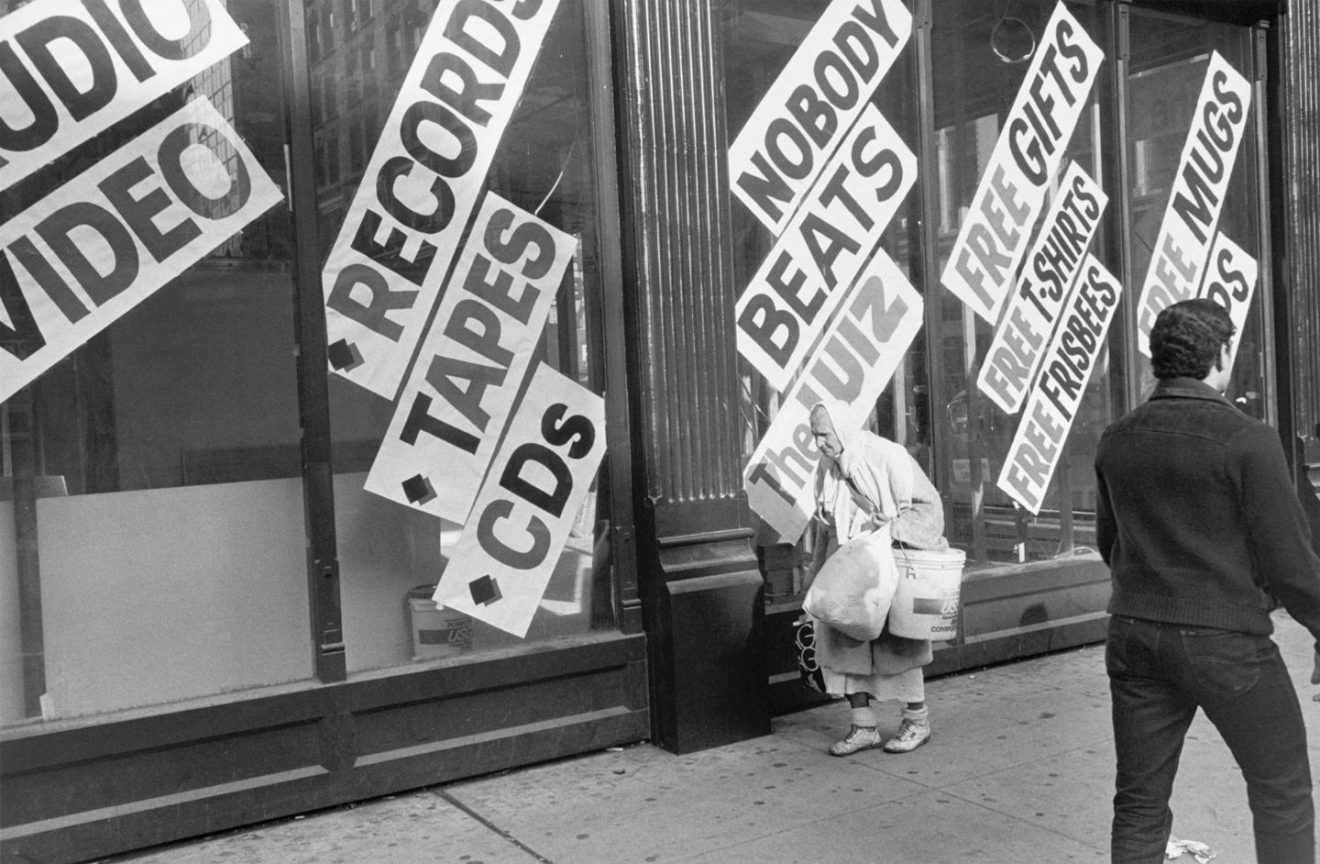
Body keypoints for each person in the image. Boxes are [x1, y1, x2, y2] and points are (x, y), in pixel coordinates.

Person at [1094, 298, 1320, 864]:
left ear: (1160, 361)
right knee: (1282, 791)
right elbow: (1291, 567)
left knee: (1140, 803)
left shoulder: (1117, 437)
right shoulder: (1247, 438)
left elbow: (1109, 544)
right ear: (1220, 356)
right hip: (1227, 644)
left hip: (1135, 635)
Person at [806, 400, 948, 756]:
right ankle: (863, 725)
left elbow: (930, 509)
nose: (819, 443)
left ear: (843, 428)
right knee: (842, 646)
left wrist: (893, 528)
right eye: (815, 436)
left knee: (898, 644)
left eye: (824, 434)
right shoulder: (827, 468)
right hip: (846, 568)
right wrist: (815, 578)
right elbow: (825, 528)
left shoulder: (888, 456)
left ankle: (918, 721)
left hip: (887, 563)